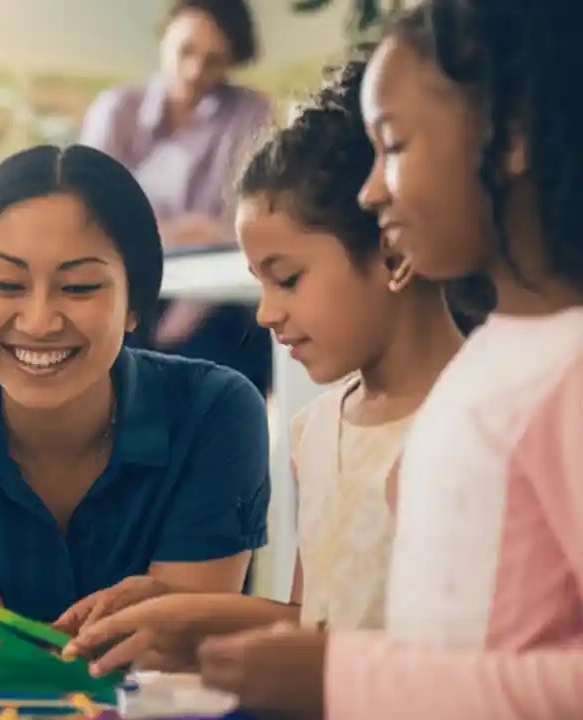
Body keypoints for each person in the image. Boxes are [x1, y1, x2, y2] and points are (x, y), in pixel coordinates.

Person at [181, 2, 583, 717]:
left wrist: (345, 678)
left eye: (393, 146)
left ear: (512, 138)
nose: (373, 189)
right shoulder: (493, 367)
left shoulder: (566, 374)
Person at [59, 59, 465, 673]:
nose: (267, 314)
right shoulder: (316, 427)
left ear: (393, 254)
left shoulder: (472, 424)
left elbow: (464, 666)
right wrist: (184, 611)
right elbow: (319, 624)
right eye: (260, 284)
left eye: (288, 279)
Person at [0, 143, 270, 633]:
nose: (39, 321)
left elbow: (173, 648)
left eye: (79, 288)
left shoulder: (214, 413)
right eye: (6, 284)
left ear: (136, 304)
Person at [80, 0, 273, 395]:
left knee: (222, 362)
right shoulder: (115, 111)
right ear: (164, 37)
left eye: (214, 60)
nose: (195, 70)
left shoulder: (249, 113)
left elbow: (247, 221)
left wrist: (177, 326)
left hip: (217, 300)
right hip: (125, 290)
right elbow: (91, 219)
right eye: (186, 51)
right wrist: (169, 232)